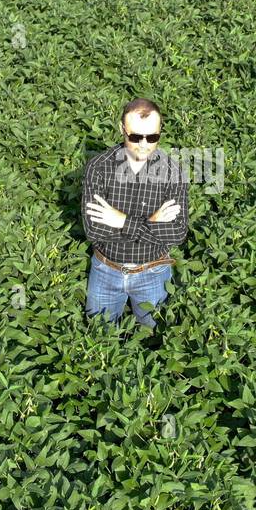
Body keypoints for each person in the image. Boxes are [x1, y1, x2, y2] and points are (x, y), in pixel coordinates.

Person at [82, 98, 188, 336]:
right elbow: (94, 231)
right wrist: (152, 223)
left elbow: (178, 232)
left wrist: (121, 221)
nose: (143, 144)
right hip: (105, 271)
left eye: (152, 137)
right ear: (122, 129)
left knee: (157, 338)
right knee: (101, 339)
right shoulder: (99, 168)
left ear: (160, 132)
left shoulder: (172, 172)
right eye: (135, 136)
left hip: (153, 273)